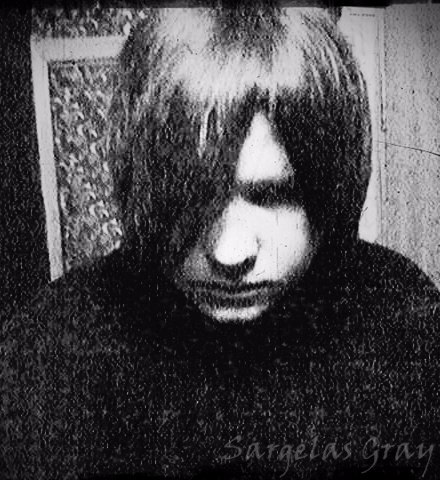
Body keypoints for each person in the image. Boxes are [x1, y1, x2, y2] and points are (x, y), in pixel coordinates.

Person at [1, 5, 439, 480]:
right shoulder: (52, 351)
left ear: (332, 185)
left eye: (273, 195)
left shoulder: (404, 321)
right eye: (192, 196)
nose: (230, 253)